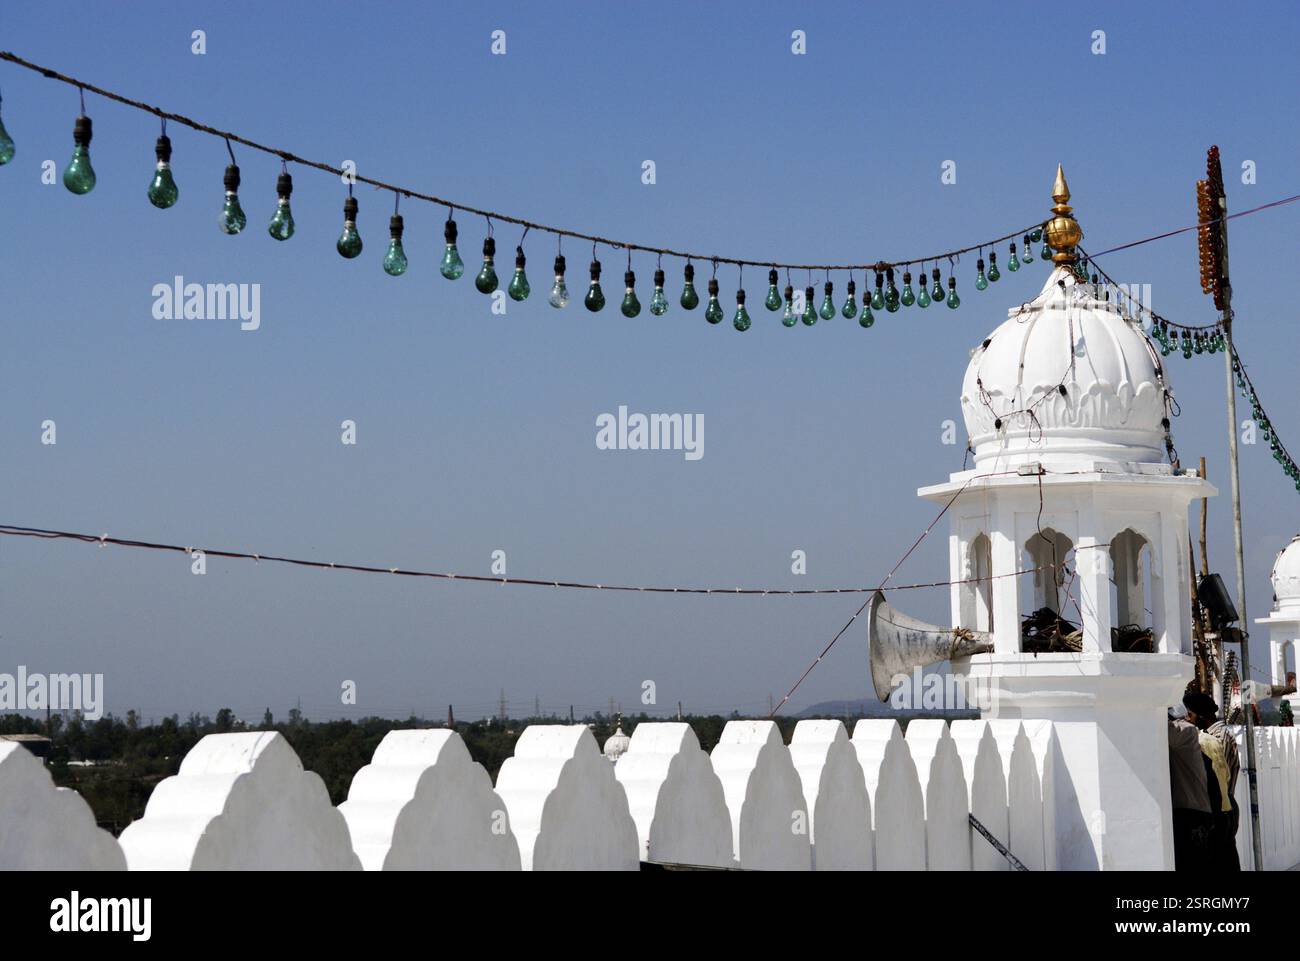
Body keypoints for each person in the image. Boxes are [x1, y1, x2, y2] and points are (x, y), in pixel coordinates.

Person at [1185, 690, 1241, 871]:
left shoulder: (1218, 737)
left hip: (1222, 808)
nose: (1189, 719)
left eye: (1191, 714)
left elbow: (1217, 776)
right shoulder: (1214, 733)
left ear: (1200, 715)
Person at [1168, 707, 1212, 870]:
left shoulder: (1186, 731)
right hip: (1192, 812)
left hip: (1191, 813)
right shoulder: (1186, 732)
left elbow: (1155, 728)